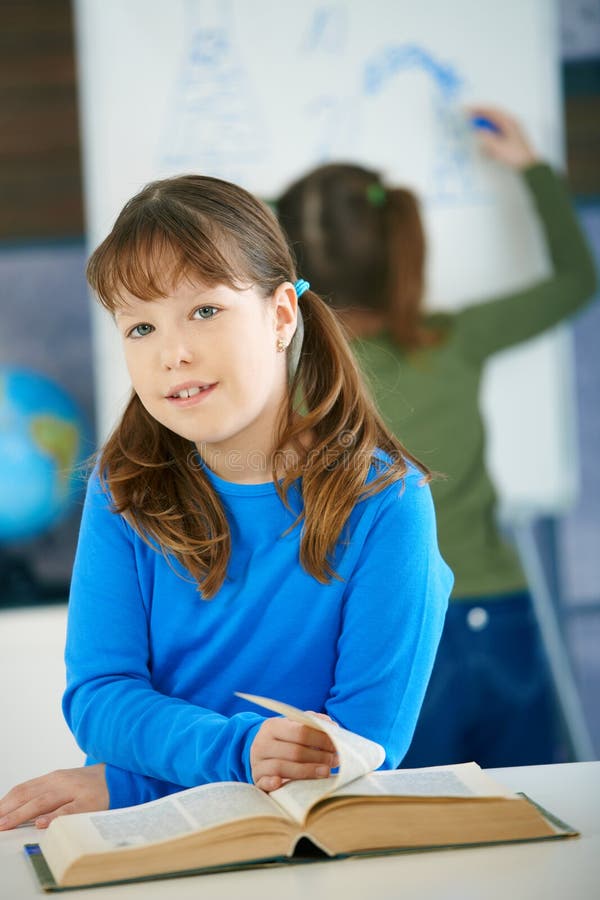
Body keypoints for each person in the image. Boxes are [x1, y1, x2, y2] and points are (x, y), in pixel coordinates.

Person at [0, 173, 452, 831]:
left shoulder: (388, 503)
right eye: (141, 327)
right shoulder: (121, 492)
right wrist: (235, 751)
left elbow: (361, 746)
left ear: (280, 317)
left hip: (315, 845)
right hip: (163, 843)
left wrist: (129, 780)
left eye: (205, 311)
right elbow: (100, 699)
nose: (173, 354)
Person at [276, 106, 598, 769]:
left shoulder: (290, 382)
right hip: (501, 615)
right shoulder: (452, 341)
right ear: (400, 244)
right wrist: (533, 170)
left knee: (418, 839)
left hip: (388, 634)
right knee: (528, 826)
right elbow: (577, 281)